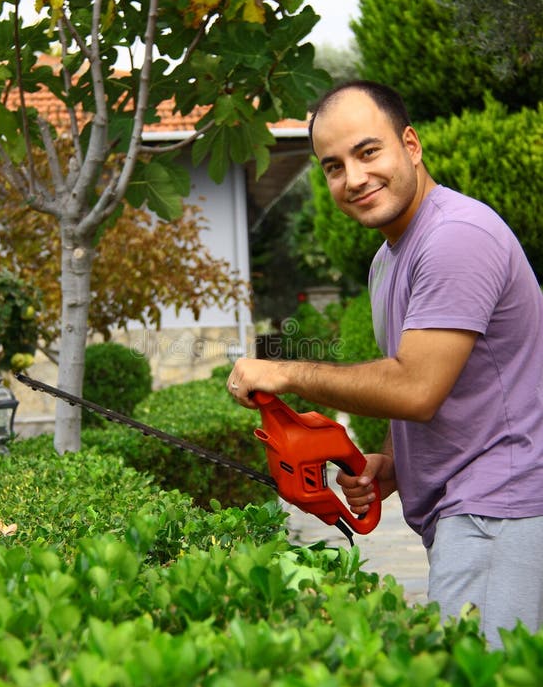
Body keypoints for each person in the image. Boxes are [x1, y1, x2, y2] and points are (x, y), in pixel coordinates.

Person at [227, 80, 543, 649]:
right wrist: (395, 463)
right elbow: (448, 384)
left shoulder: (455, 238)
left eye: (368, 152)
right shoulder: (388, 260)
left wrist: (286, 371)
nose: (353, 178)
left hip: (500, 511)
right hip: (470, 512)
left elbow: (415, 387)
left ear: (411, 146)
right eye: (333, 166)